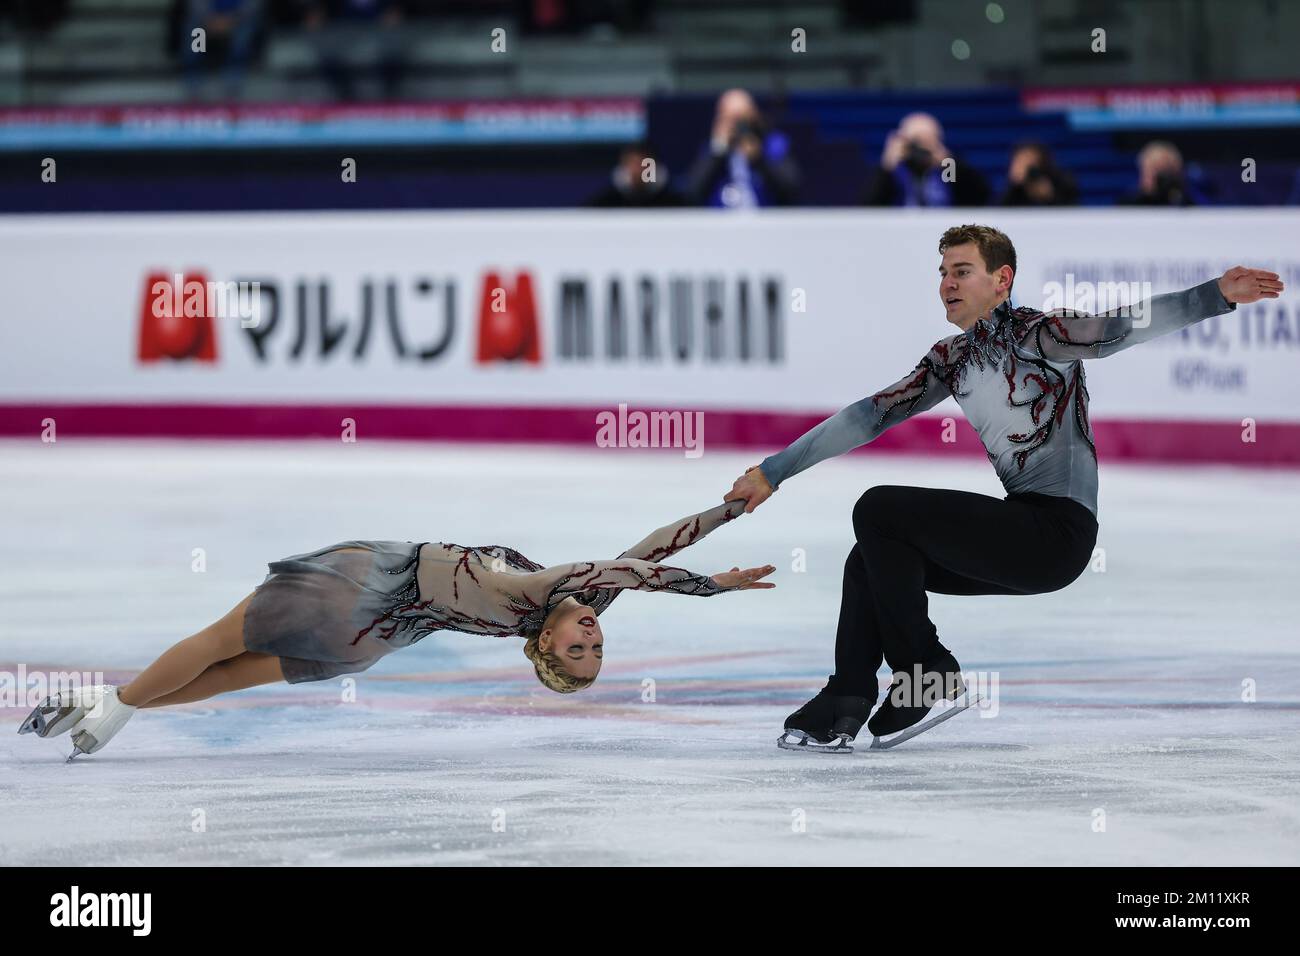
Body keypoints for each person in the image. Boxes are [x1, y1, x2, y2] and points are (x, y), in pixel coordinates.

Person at [724, 223, 1282, 749]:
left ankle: (926, 672)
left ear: (1002, 280)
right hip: (1021, 532)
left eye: (963, 270)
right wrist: (773, 472)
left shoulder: (1044, 336)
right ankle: (847, 696)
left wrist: (1216, 295)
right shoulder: (953, 359)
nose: (947, 283)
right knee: (867, 557)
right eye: (943, 271)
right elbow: (870, 415)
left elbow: (1116, 330)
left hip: (1055, 535)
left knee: (879, 509)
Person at [20, 500, 773, 758]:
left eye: (578, 650)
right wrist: (728, 513)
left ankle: (114, 709)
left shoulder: (542, 592)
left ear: (543, 647)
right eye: (597, 645)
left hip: (372, 586)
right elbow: (650, 550)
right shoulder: (575, 602)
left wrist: (708, 588)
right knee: (231, 676)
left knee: (224, 643)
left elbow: (637, 570)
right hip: (379, 641)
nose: (591, 636)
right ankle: (110, 708)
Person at [686, 89, 800, 208]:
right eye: (729, 119)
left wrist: (758, 158)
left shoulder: (773, 143)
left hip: (766, 220)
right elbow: (692, 191)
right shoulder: (713, 150)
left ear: (754, 115)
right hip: (721, 221)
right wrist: (718, 149)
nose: (736, 127)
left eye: (741, 118)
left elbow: (790, 187)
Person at [862, 112, 989, 207]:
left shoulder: (947, 172)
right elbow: (869, 206)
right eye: (916, 141)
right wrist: (887, 166)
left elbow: (980, 197)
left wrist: (949, 162)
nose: (921, 148)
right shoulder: (892, 174)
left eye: (928, 141)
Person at [587, 141, 687, 208]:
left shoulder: (675, 204)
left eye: (644, 164)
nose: (637, 170)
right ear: (623, 167)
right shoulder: (604, 204)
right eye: (632, 164)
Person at [998, 141, 1078, 207]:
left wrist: (1050, 196)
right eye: (1021, 161)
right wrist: (1014, 185)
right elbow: (1001, 213)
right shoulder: (1015, 190)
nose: (1026, 166)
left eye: (1029, 160)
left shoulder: (1061, 181)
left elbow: (1073, 211)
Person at [1119, 140, 1197, 206]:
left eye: (1165, 170)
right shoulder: (1127, 204)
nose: (1160, 177)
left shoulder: (1185, 204)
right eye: (1154, 169)